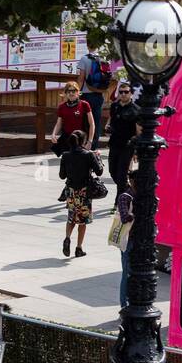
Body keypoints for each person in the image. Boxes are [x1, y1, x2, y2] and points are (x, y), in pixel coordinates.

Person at [58, 130, 102, 258]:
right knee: (82, 221)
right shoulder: (88, 155)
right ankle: (79, 248)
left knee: (71, 217)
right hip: (84, 191)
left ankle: (67, 238)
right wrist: (97, 157)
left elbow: (62, 176)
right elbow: (99, 171)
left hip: (71, 191)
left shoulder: (66, 155)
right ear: (83, 141)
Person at [106, 81, 139, 196]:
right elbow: (111, 118)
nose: (123, 94)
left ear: (131, 94)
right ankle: (128, 190)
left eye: (126, 92)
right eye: (121, 92)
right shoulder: (114, 106)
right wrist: (107, 125)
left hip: (127, 146)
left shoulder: (135, 109)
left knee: (122, 174)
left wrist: (136, 151)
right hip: (114, 143)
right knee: (112, 171)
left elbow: (138, 131)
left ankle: (118, 202)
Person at [112, 169, 136, 308]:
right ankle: (124, 304)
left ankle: (132, 300)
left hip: (139, 240)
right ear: (132, 181)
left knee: (135, 273)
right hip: (127, 239)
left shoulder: (143, 196)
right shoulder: (125, 197)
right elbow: (125, 217)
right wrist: (136, 215)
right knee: (126, 272)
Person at [50, 82, 94, 155]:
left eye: (73, 91)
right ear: (65, 93)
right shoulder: (62, 106)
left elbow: (92, 124)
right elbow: (59, 124)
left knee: (80, 163)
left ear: (78, 92)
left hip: (81, 139)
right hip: (67, 139)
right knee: (67, 163)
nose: (71, 93)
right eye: (68, 91)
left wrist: (90, 141)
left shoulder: (84, 104)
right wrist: (53, 134)